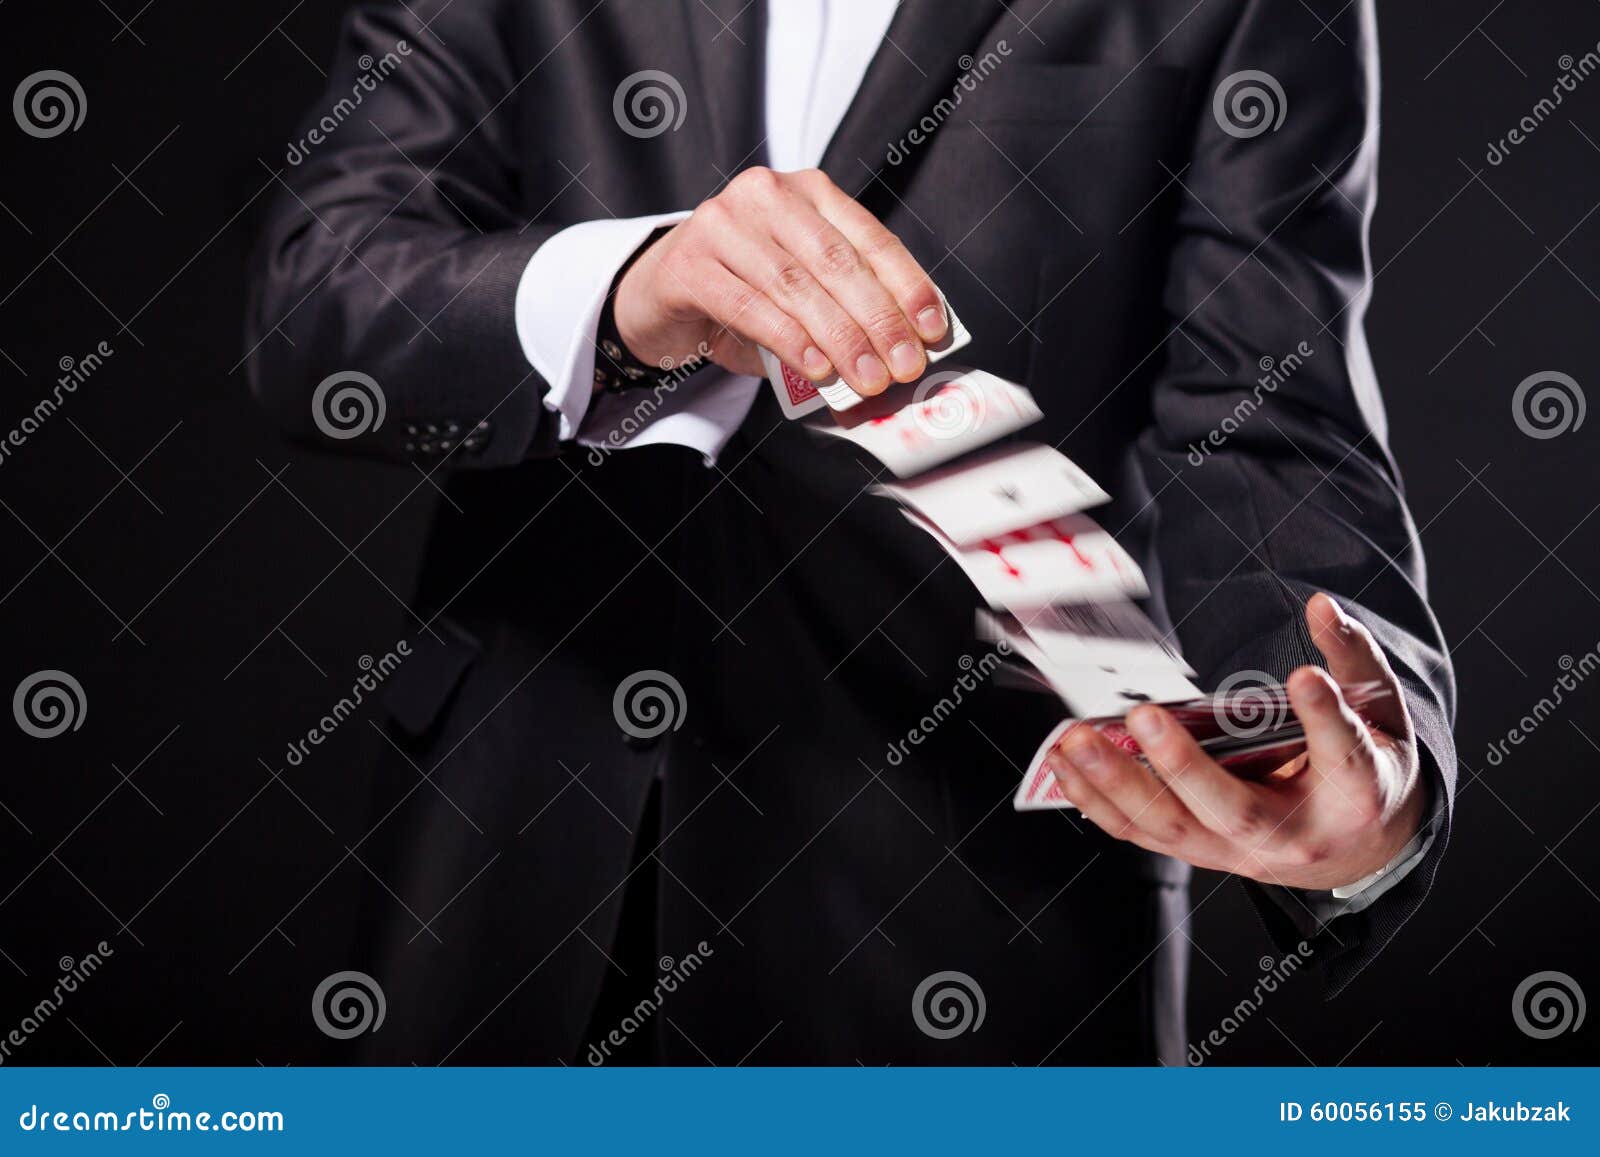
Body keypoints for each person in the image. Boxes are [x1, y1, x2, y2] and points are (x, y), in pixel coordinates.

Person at [246, 0, 1455, 1065]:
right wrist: (628, 294)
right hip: (513, 866)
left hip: (979, 912)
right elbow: (317, 302)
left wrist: (1357, 753)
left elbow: (1261, 421)